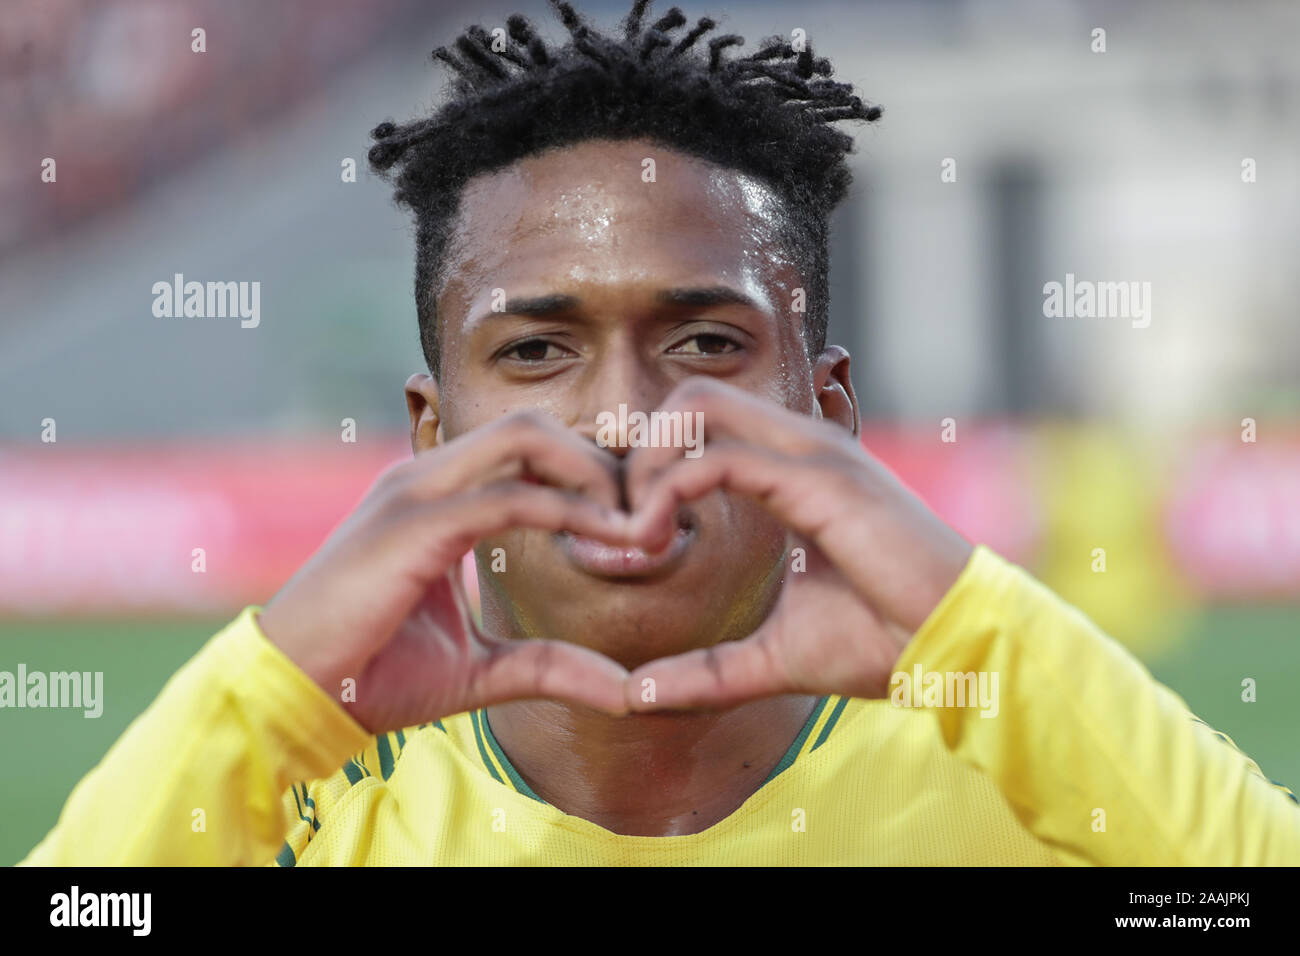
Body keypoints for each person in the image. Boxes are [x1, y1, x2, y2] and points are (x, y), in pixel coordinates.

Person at [22, 0, 1300, 866]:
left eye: (704, 342)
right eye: (534, 351)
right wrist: (262, 701)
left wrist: (990, 642)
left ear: (829, 416)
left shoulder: (1034, 797)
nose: (626, 421)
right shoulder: (282, 813)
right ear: (428, 432)